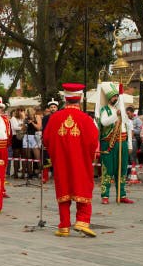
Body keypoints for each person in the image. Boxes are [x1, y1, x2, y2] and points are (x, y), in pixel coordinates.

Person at [43, 83, 100, 238]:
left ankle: (64, 225)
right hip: (81, 161)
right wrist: (89, 155)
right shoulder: (86, 119)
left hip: (61, 161)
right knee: (83, 186)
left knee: (63, 188)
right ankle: (82, 221)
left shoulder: (54, 118)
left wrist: (56, 152)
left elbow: (46, 139)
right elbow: (93, 141)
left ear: (65, 100)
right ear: (80, 100)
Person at [96, 82, 134, 204]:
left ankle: (122, 194)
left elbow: (128, 127)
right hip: (109, 143)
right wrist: (116, 116)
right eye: (114, 96)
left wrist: (129, 145)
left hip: (122, 142)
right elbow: (104, 122)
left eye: (117, 96)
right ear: (109, 98)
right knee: (108, 169)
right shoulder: (104, 109)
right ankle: (105, 195)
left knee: (122, 169)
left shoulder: (121, 110)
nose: (116, 98)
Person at [41, 99, 59, 183]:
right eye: (51, 107)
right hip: (48, 141)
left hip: (58, 142)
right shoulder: (45, 118)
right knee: (46, 160)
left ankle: (57, 177)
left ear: (57, 108)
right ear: (49, 108)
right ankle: (45, 177)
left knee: (58, 160)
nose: (53, 108)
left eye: (54, 107)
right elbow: (44, 130)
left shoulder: (60, 117)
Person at [22, 107, 42, 178]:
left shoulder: (37, 117)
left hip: (35, 137)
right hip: (26, 137)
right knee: (28, 157)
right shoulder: (26, 119)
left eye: (29, 114)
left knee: (37, 156)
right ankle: (30, 173)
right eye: (27, 114)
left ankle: (40, 172)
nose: (28, 115)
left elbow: (39, 128)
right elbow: (23, 130)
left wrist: (32, 122)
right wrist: (24, 124)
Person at [10, 108, 25, 178]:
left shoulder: (23, 119)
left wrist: (22, 125)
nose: (22, 113)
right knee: (16, 155)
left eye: (23, 111)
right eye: (20, 111)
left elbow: (26, 127)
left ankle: (23, 173)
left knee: (23, 156)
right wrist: (22, 127)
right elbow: (15, 127)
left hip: (23, 137)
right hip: (15, 137)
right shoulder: (13, 118)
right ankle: (15, 173)